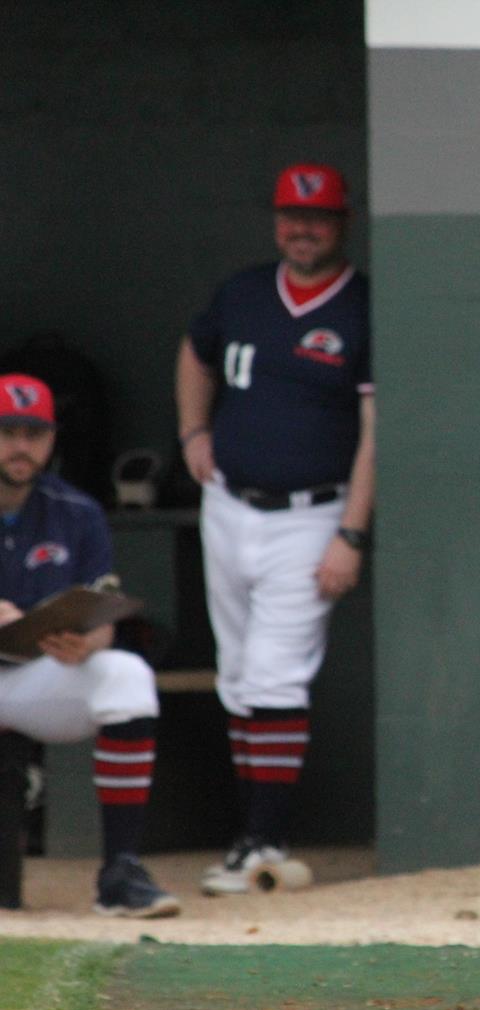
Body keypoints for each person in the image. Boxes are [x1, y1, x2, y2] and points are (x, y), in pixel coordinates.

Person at [174, 162, 374, 895]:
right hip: (228, 503)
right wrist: (193, 433)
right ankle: (252, 840)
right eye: (293, 214)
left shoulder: (361, 305)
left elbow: (375, 426)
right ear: (277, 218)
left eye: (318, 217)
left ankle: (264, 837)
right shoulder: (244, 292)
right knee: (237, 676)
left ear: (341, 224)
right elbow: (196, 354)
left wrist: (350, 532)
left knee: (274, 673)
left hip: (311, 513)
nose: (303, 227)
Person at [0, 374, 179, 917]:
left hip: (30, 676)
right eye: (8, 432)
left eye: (35, 433)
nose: (21, 447)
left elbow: (102, 605)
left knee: (125, 674)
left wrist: (88, 638)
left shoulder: (75, 511)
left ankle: (120, 871)